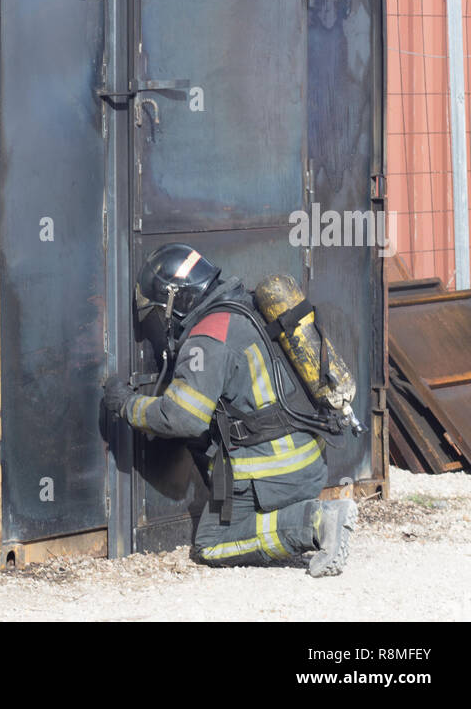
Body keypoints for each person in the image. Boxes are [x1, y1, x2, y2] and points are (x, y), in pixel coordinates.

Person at [102, 243, 357, 576]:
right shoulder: (246, 306)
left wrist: (125, 405)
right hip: (308, 464)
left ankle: (316, 522)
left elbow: (182, 417)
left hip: (274, 476)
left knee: (212, 542)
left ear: (172, 301)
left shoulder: (207, 336)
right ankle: (304, 513)